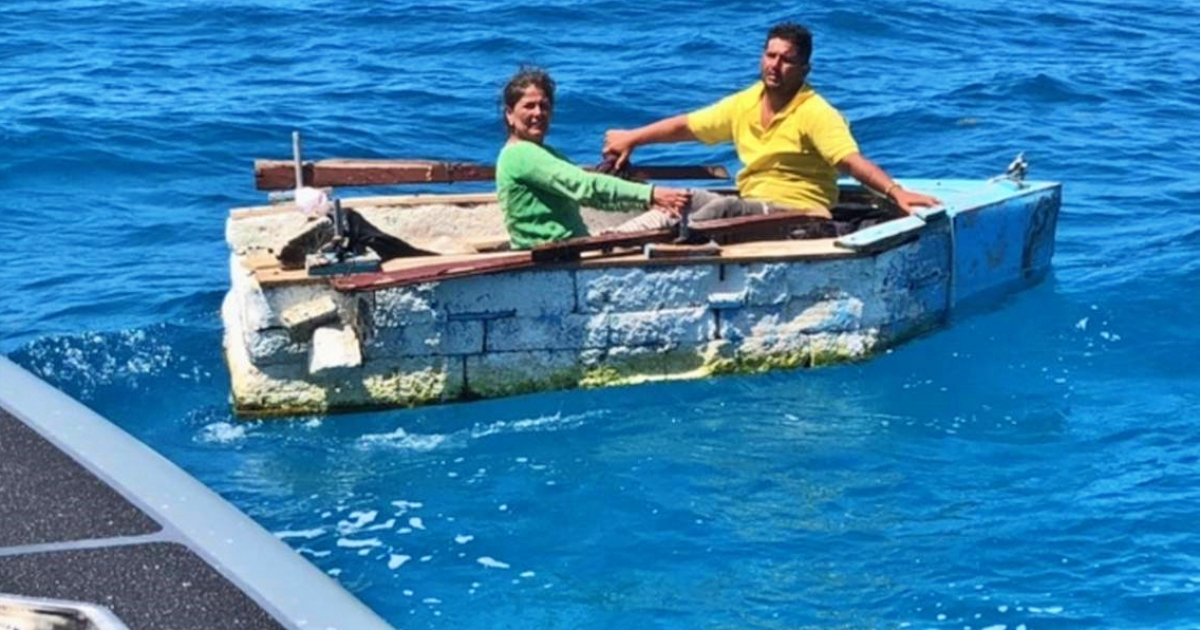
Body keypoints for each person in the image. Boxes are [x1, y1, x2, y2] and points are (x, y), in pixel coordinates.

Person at [602, 22, 939, 234]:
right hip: (753, 202)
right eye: (770, 55)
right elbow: (689, 126)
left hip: (799, 210)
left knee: (721, 209)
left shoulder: (815, 112)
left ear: (804, 69)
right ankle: (610, 242)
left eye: (786, 59)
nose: (775, 66)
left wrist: (895, 192)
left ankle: (660, 247)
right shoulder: (746, 101)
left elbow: (850, 161)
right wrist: (632, 138)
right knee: (677, 200)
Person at [495, 67, 690, 250]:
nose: (538, 113)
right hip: (560, 255)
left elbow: (592, 198)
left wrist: (646, 202)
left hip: (575, 248)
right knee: (697, 211)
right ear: (510, 115)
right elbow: (585, 186)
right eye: (529, 106)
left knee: (679, 210)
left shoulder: (545, 153)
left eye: (544, 106)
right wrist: (650, 193)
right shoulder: (520, 154)